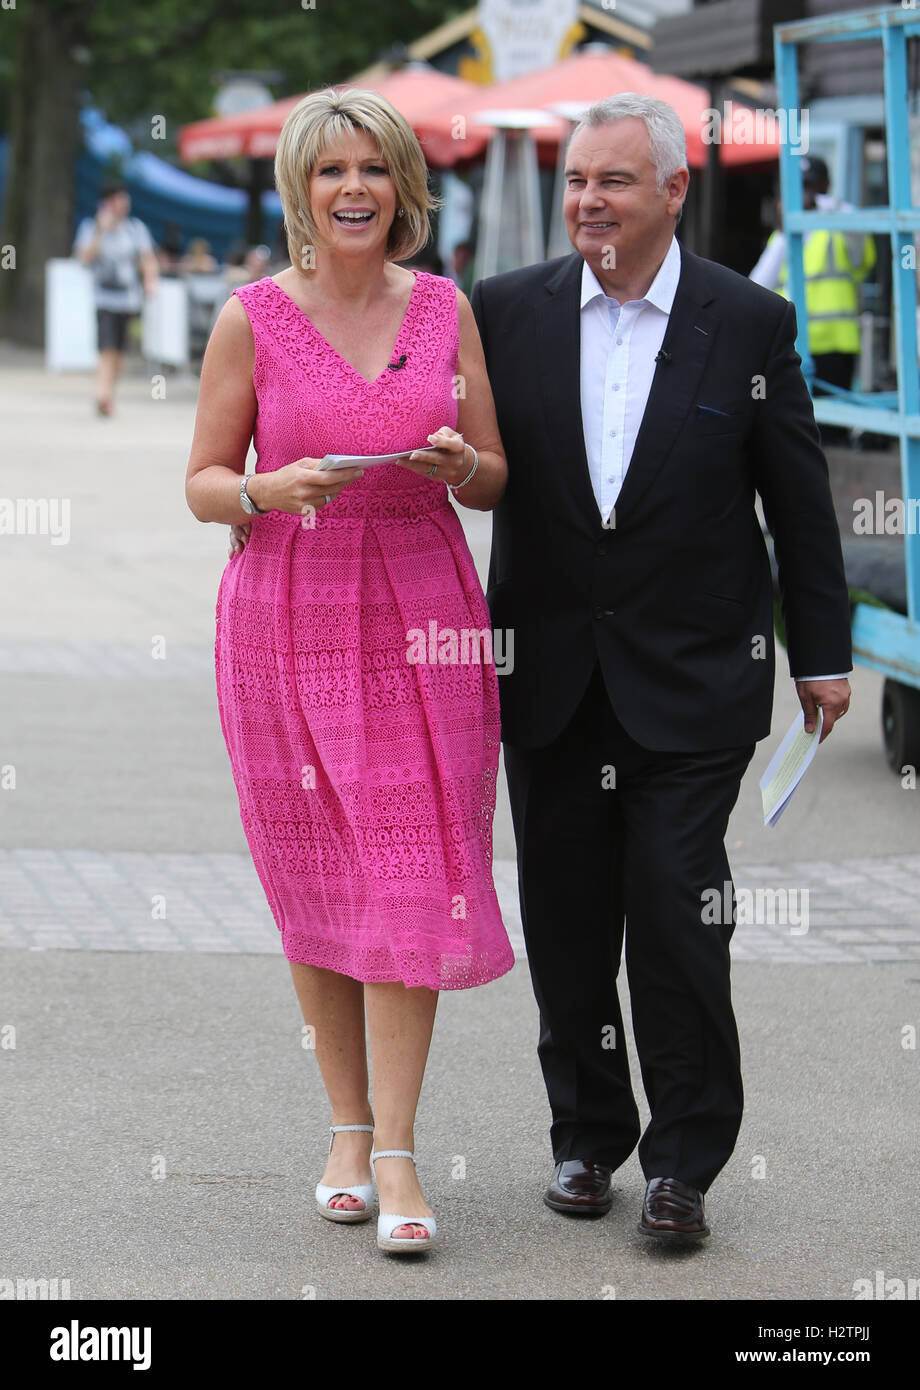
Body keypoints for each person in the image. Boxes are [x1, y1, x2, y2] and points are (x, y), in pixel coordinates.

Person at [471, 94, 852, 1241]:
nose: (588, 201)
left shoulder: (748, 321)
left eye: (613, 181)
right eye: (575, 180)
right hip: (547, 675)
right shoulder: (503, 311)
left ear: (673, 191)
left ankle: (683, 1161)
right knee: (567, 920)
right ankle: (586, 1139)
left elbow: (797, 499)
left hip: (690, 678)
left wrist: (820, 655)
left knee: (683, 918)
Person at [186, 88, 514, 1256]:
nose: (354, 189)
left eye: (373, 168)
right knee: (321, 873)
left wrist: (456, 461)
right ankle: (343, 1126)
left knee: (414, 874)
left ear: (404, 187)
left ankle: (399, 1150)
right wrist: (265, 491)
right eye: (330, 172)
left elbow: (492, 478)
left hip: (426, 615)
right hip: (287, 611)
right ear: (300, 192)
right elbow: (204, 482)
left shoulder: (443, 310)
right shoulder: (252, 318)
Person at [749, 156, 876, 446]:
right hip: (791, 346)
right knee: (791, 428)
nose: (803, 194)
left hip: (834, 345)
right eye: (797, 187)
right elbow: (757, 284)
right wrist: (786, 230)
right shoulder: (784, 237)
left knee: (831, 434)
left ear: (825, 188)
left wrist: (828, 208)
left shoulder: (840, 227)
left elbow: (859, 244)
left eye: (810, 187)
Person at [73, 184, 159, 416]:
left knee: (120, 351)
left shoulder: (135, 229)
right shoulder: (91, 227)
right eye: (120, 200)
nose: (124, 205)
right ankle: (102, 395)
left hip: (129, 299)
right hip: (104, 298)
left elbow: (147, 258)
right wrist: (101, 231)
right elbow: (83, 258)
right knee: (107, 348)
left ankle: (109, 393)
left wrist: (150, 280)